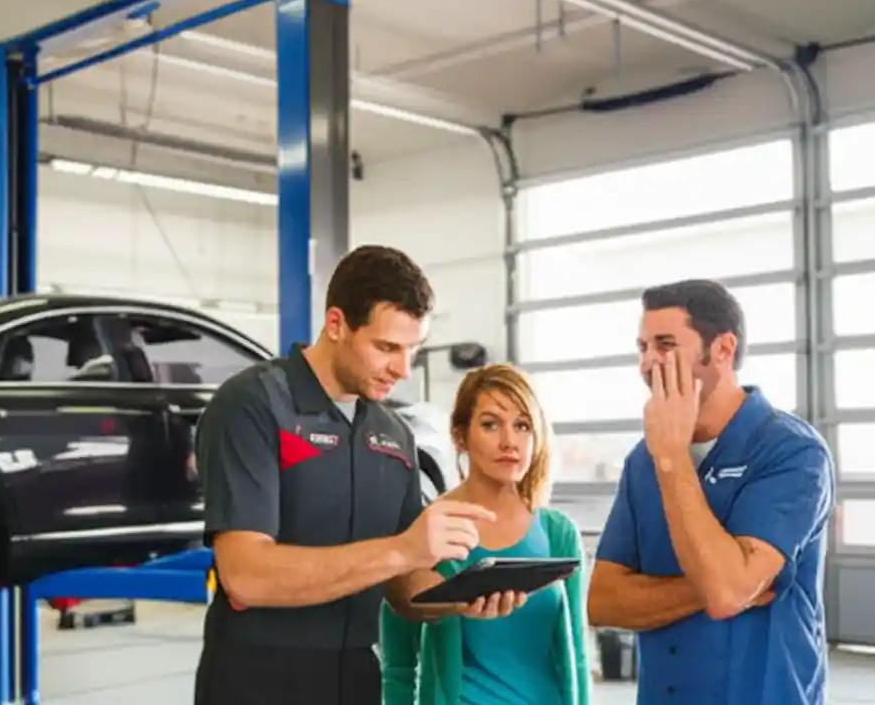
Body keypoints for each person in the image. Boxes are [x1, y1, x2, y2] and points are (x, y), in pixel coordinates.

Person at [193, 245, 522, 705]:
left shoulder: (392, 435)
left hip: (357, 675)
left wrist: (461, 596)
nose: (403, 370)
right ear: (336, 325)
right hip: (257, 676)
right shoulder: (252, 406)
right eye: (386, 347)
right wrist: (403, 548)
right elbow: (246, 575)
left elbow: (405, 588)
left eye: (413, 349)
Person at [588, 278, 835, 705]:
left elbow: (725, 594)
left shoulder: (793, 452)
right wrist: (726, 584)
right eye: (642, 347)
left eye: (665, 345)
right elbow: (603, 602)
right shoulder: (642, 461)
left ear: (722, 349)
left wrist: (672, 458)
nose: (648, 363)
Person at [381, 363, 592, 705]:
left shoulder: (558, 533)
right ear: (460, 435)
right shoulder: (429, 527)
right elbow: (399, 666)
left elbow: (577, 655)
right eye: (491, 424)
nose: (509, 441)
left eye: (522, 426)